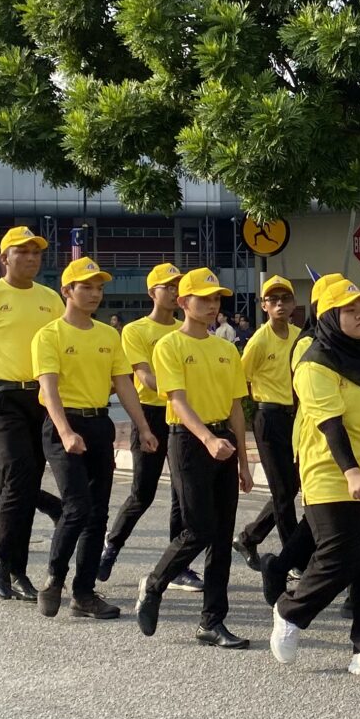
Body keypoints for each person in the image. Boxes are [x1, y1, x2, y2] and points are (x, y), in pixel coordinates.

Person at [269, 275, 360, 679]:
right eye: (349, 310)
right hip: (330, 470)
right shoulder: (314, 362)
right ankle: (290, 609)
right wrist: (351, 470)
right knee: (342, 556)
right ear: (327, 315)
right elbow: (330, 424)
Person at [32, 257, 155, 620]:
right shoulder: (50, 335)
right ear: (67, 291)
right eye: (86, 287)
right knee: (77, 506)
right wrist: (66, 431)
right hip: (63, 424)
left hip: (99, 423)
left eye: (99, 288)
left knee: (98, 513)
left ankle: (84, 593)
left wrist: (143, 427)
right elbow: (49, 389)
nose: (94, 294)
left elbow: (123, 385)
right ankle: (55, 578)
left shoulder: (108, 335)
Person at [135, 268, 254, 644]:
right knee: (199, 528)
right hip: (188, 439)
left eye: (216, 299)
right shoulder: (169, 345)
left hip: (223, 441)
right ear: (184, 302)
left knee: (222, 538)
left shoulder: (225, 348)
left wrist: (244, 463)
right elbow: (176, 400)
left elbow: (236, 408)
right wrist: (206, 439)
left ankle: (212, 622)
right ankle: (154, 585)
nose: (212, 305)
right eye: (204, 299)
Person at [0, 227, 66, 601]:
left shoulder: (51, 298)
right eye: (22, 252)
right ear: (5, 257)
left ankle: (18, 569)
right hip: (2, 395)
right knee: (19, 474)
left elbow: (61, 348)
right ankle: (0, 558)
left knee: (20, 480)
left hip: (41, 398)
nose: (32, 258)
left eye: (36, 252)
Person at [96, 264, 184, 587]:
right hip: (150, 413)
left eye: (178, 285)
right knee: (142, 493)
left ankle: (178, 564)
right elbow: (143, 376)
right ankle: (111, 546)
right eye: (168, 286)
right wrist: (180, 391)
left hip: (183, 416)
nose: (175, 291)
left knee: (182, 493)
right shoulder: (135, 331)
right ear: (152, 293)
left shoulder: (185, 329)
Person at [234, 277, 303, 571]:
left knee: (293, 485)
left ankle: (249, 537)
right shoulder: (259, 340)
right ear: (263, 306)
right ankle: (294, 559)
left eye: (284, 299)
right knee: (283, 492)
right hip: (269, 418)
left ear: (293, 303)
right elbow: (240, 380)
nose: (279, 305)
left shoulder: (301, 336)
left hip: (296, 417)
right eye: (272, 300)